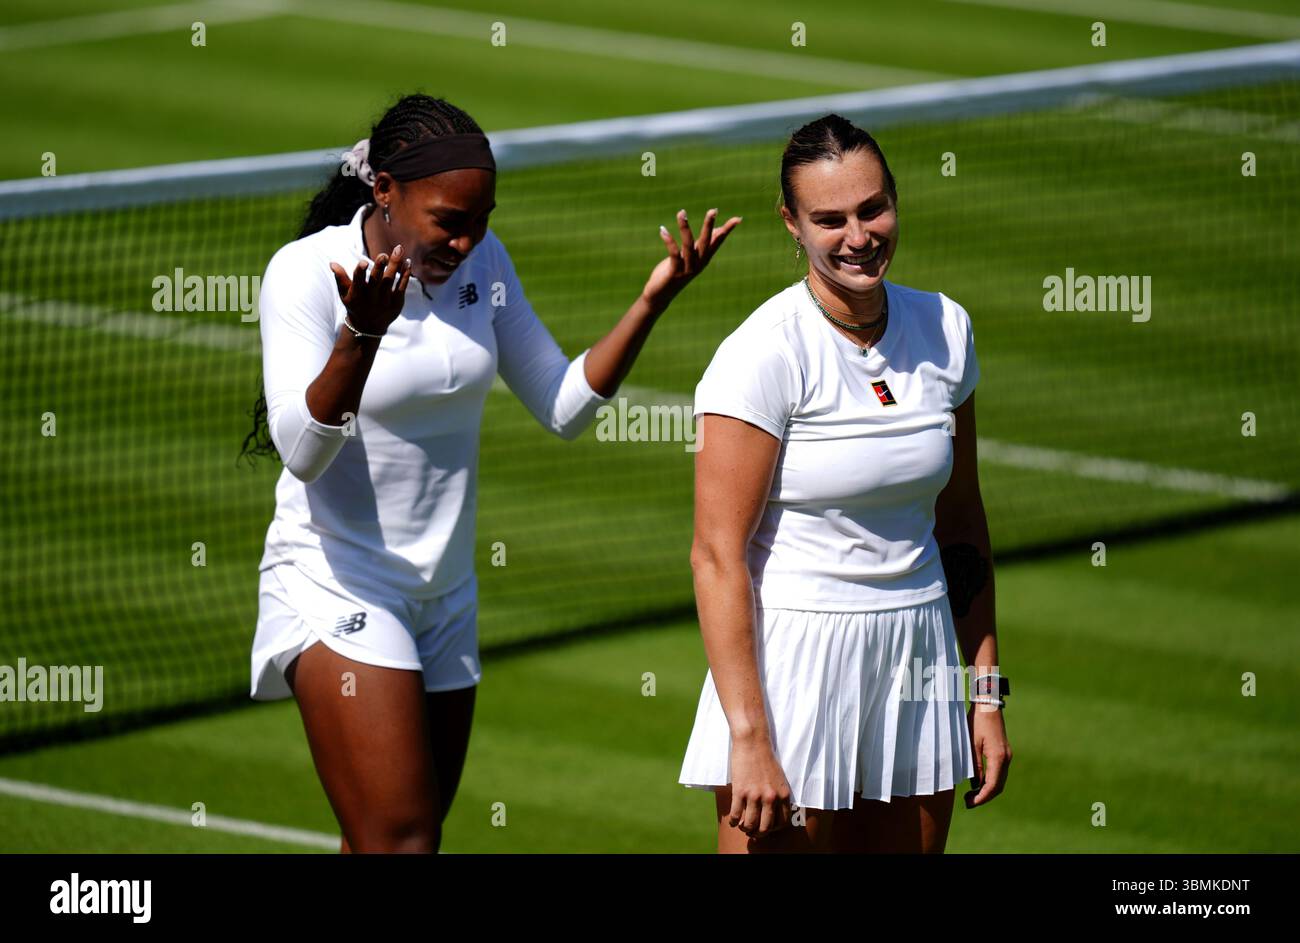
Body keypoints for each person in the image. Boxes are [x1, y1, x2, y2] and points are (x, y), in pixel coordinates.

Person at [236, 93, 740, 853]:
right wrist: (361, 334)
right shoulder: (305, 273)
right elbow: (304, 451)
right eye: (449, 222)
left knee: (395, 835)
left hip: (445, 597)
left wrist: (650, 300)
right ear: (384, 192)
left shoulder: (485, 260)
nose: (468, 241)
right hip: (336, 583)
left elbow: (564, 406)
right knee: (401, 840)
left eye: (481, 220)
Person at [678, 113, 1011, 854]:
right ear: (791, 224)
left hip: (916, 660)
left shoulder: (947, 329)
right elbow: (715, 555)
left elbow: (960, 525)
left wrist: (983, 692)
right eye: (829, 218)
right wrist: (748, 735)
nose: (858, 236)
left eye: (872, 208)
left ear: (895, 198)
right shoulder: (761, 355)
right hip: (793, 669)